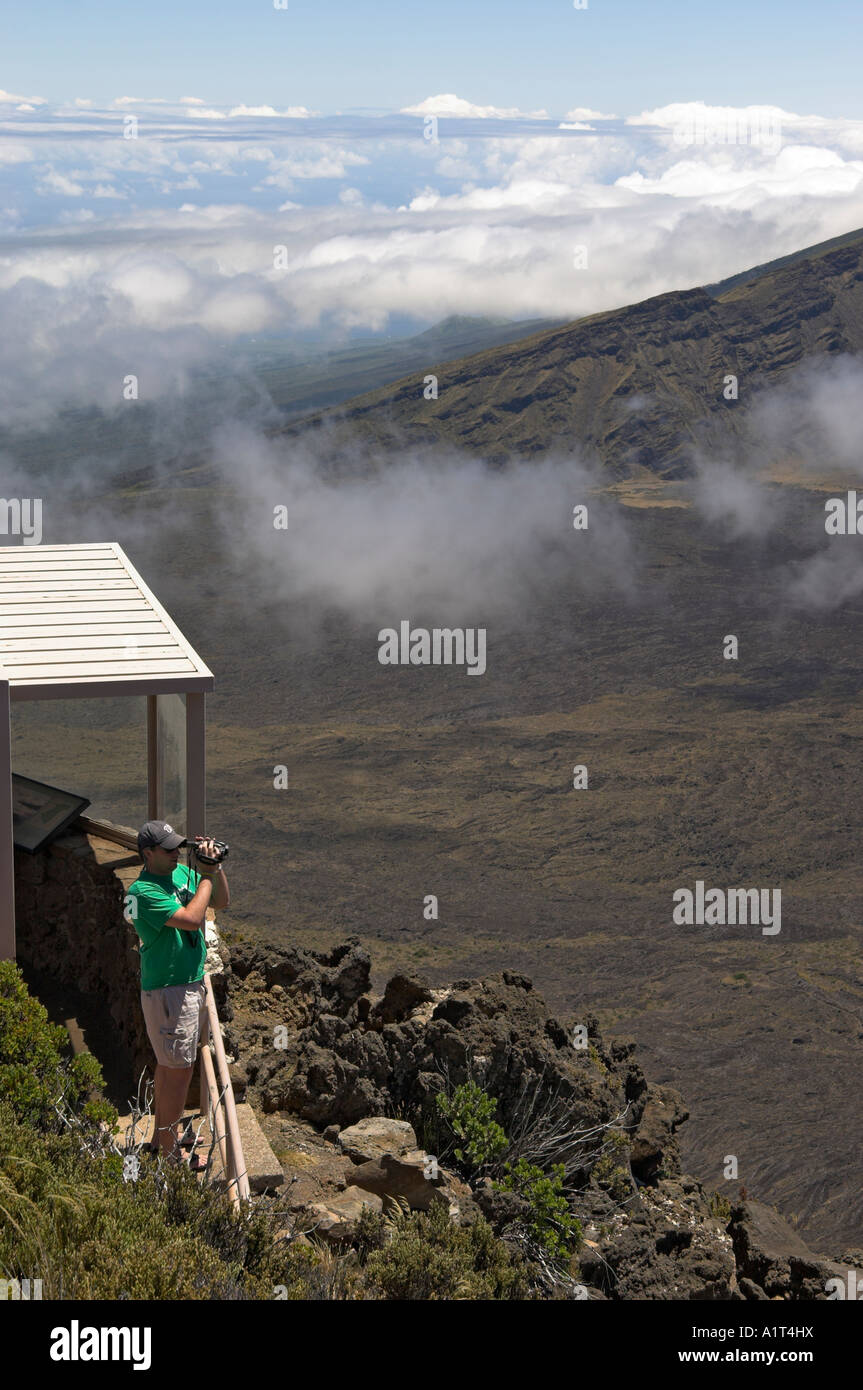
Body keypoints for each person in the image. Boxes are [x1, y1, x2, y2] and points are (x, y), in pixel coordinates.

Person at [124, 820, 230, 1162]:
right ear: (148, 854)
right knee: (178, 1068)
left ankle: (161, 1136)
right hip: (169, 991)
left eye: (178, 847)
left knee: (171, 1066)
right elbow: (189, 918)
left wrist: (214, 867)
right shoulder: (141, 892)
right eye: (168, 849)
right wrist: (207, 875)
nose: (176, 853)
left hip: (187, 985)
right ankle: (168, 1154)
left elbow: (222, 902)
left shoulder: (182, 875)